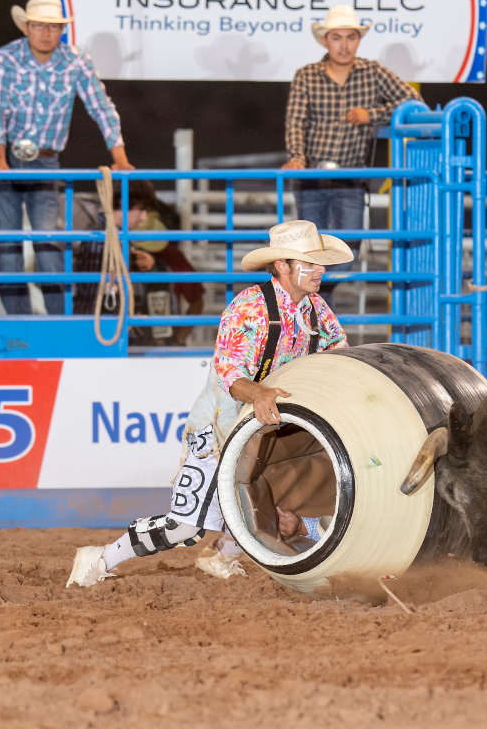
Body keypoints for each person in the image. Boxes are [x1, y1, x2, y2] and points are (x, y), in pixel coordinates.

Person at [66, 219, 353, 586]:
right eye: (309, 263)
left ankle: (222, 557)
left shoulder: (316, 309)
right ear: (282, 265)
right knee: (186, 525)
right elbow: (229, 370)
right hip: (220, 427)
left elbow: (335, 351)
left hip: (263, 425)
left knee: (258, 497)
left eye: (320, 263)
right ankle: (102, 557)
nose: (321, 271)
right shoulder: (250, 306)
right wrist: (261, 393)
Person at [0, 0, 133, 315]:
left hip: (46, 159)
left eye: (53, 27)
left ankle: (56, 320)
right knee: (7, 245)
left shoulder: (75, 60)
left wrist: (119, 155)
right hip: (8, 156)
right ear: (27, 27)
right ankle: (20, 320)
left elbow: (101, 106)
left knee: (48, 241)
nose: (46, 32)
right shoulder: (6, 57)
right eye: (39, 26)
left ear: (61, 31)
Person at [282, 4, 420, 262]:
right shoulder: (306, 75)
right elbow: (295, 121)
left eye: (351, 37)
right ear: (325, 41)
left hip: (352, 178)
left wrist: (372, 114)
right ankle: (319, 301)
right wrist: (297, 156)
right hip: (311, 178)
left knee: (348, 254)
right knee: (309, 255)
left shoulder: (373, 71)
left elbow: (413, 101)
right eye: (337, 38)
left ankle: (318, 300)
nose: (344, 46)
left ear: (358, 40)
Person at [73, 181, 205, 344]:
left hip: (103, 332)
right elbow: (102, 295)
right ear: (123, 204)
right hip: (104, 334)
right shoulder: (108, 240)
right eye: (141, 210)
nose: (143, 216)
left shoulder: (108, 238)